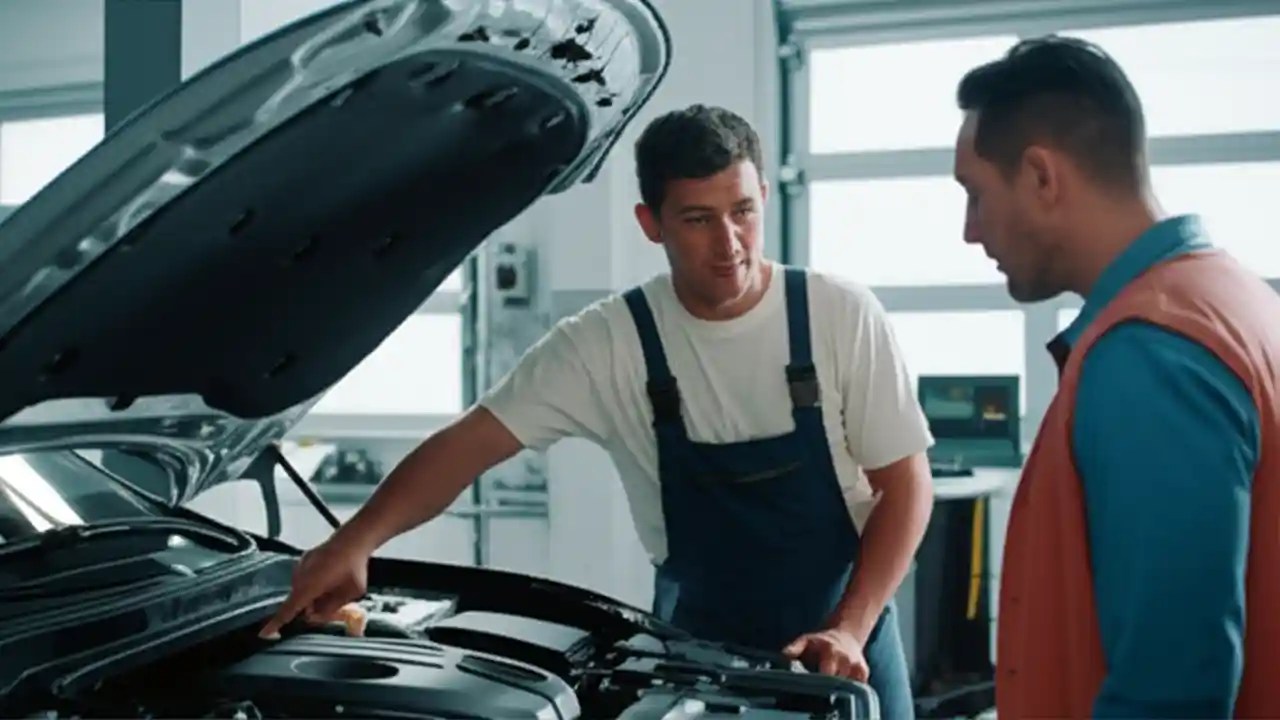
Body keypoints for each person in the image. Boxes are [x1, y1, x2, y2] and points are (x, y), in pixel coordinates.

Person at [260, 104, 935, 718]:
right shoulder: (608, 344)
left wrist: (850, 625)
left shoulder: (836, 313)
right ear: (651, 223)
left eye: (743, 211)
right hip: (697, 670)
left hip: (847, 650)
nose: (730, 244)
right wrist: (357, 540)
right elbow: (466, 446)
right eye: (699, 219)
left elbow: (905, 485)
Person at [953, 35, 1280, 718]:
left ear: (1042, 177)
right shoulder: (1231, 297)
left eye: (976, 196)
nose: (970, 231)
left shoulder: (1151, 351)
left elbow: (1173, 690)